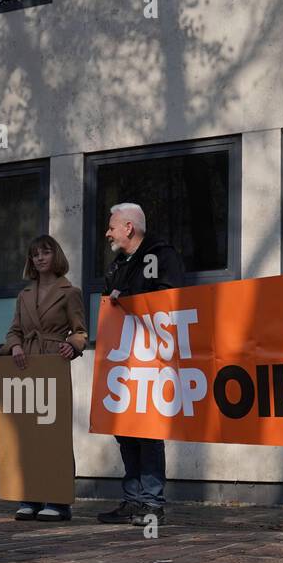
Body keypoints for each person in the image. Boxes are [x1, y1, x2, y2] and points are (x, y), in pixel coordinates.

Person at [94, 203, 185, 526]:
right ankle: (133, 500)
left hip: (152, 359)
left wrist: (127, 295)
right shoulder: (119, 264)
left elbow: (170, 299)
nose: (108, 233)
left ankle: (151, 503)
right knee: (124, 429)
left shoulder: (161, 256)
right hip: (124, 358)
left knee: (147, 430)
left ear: (129, 228)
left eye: (112, 227)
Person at [0, 235, 87, 522]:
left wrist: (72, 345)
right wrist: (14, 346)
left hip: (53, 363)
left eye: (45, 252)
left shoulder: (70, 291)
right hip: (25, 365)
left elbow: (80, 332)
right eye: (34, 254)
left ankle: (59, 501)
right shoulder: (24, 295)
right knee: (28, 434)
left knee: (55, 433)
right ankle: (31, 497)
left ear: (56, 255)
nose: (39, 258)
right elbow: (14, 330)